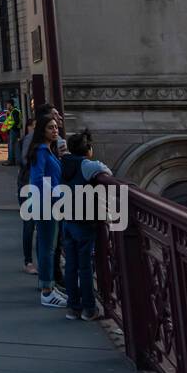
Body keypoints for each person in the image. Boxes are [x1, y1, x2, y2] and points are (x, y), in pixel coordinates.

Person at [60, 130, 111, 320]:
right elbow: (106, 171)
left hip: (67, 220)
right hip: (84, 221)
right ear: (88, 148)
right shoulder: (87, 165)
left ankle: (73, 307)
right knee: (85, 267)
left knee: (71, 265)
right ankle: (89, 308)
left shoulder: (64, 162)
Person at [28, 116, 66, 307]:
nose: (55, 130)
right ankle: (47, 291)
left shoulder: (47, 150)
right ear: (42, 130)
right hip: (47, 205)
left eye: (56, 127)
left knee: (48, 247)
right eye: (50, 128)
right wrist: (55, 194)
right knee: (47, 248)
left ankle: (49, 285)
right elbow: (37, 179)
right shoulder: (42, 151)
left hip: (47, 203)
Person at [18, 117, 37, 274]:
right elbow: (24, 160)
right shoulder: (31, 139)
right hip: (29, 185)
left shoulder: (55, 140)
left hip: (35, 185)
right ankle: (28, 261)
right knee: (30, 224)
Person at [3, 99, 22, 166]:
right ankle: (16, 160)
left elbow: (16, 122)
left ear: (10, 104)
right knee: (15, 146)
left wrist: (10, 127)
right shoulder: (11, 112)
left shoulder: (14, 111)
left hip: (13, 130)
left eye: (7, 104)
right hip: (13, 130)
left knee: (11, 146)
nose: (6, 106)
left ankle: (11, 160)